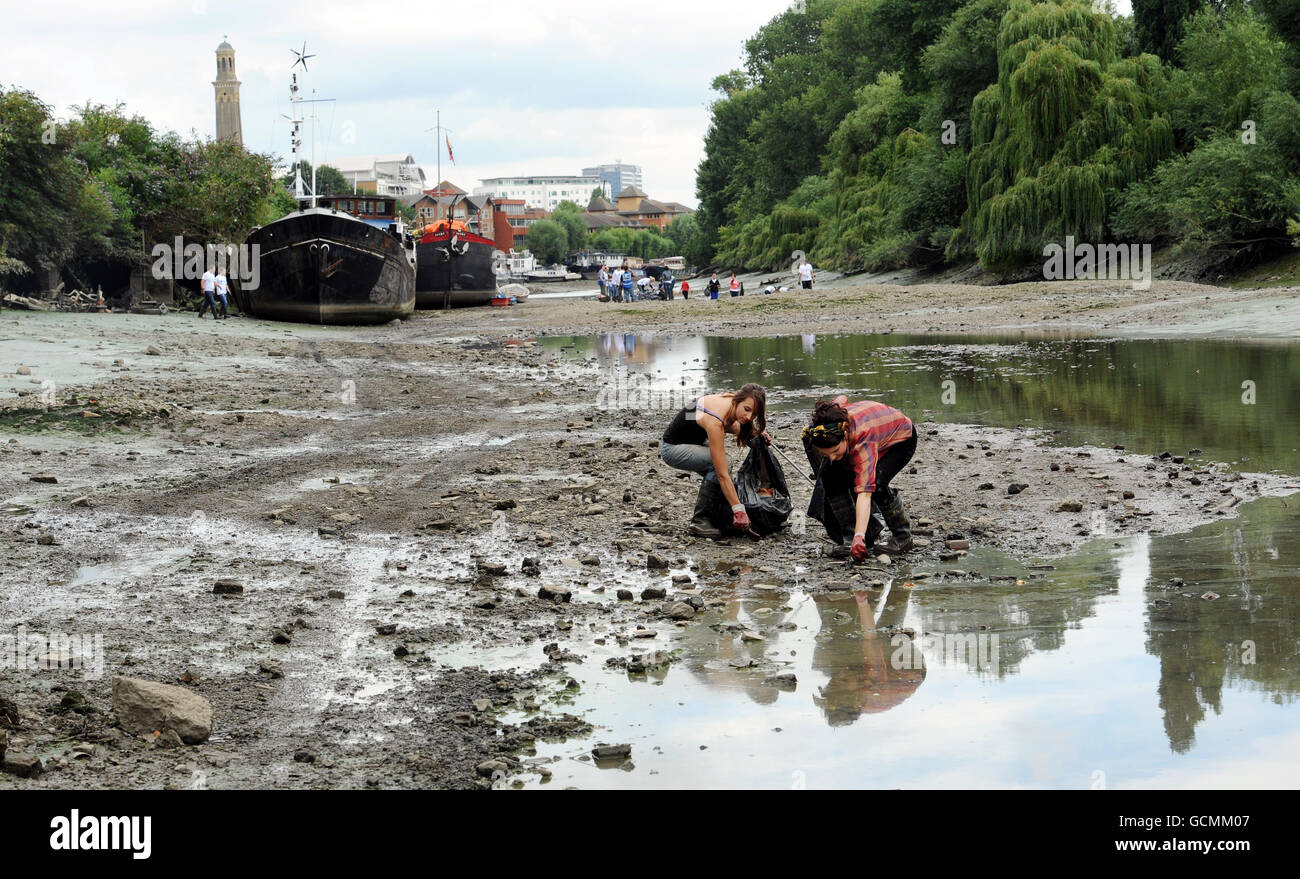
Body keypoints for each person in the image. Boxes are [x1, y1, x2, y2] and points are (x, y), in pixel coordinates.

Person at [802, 395, 916, 560]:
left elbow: (864, 492)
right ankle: (850, 537)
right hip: (869, 434)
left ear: (846, 435)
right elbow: (842, 399)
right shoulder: (830, 423)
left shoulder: (862, 441)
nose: (832, 457)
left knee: (877, 484)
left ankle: (902, 537)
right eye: (826, 454)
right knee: (829, 475)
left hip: (901, 438)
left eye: (835, 451)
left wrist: (859, 536)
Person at [660, 383, 767, 538]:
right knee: (723, 465)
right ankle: (700, 520)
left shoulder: (731, 400)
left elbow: (733, 425)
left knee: (721, 469)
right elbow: (722, 474)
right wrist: (739, 511)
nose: (749, 417)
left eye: (754, 414)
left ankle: (717, 516)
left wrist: (755, 435)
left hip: (693, 441)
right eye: (747, 410)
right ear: (738, 400)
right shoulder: (715, 420)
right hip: (673, 448)